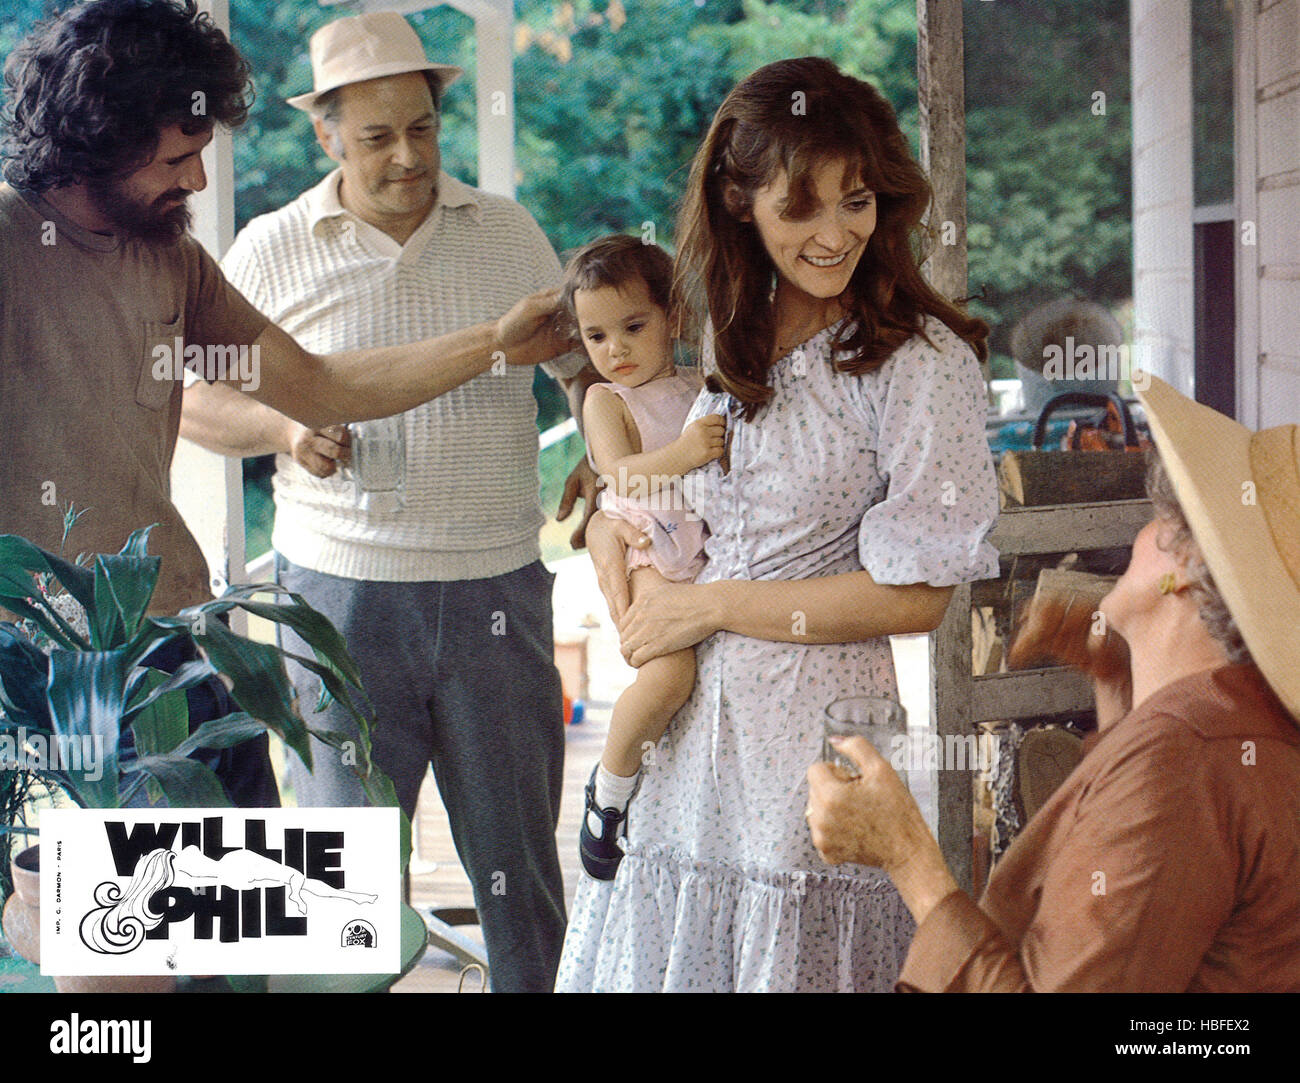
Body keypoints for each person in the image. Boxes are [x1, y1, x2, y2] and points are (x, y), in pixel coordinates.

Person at [0, 1, 565, 806]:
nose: (196, 179)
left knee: (251, 903)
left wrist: (497, 342)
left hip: (182, 636)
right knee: (105, 909)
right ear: (102, 141)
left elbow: (324, 385)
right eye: (176, 161)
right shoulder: (11, 242)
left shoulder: (172, 257)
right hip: (53, 657)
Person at [556, 58, 1000, 992]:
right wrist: (609, 528)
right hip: (680, 749)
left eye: (858, 198)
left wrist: (708, 606)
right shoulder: (724, 331)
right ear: (737, 203)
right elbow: (652, 472)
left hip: (811, 742)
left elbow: (918, 595)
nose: (837, 233)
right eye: (801, 208)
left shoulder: (923, 366)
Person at [178, 11, 596, 992]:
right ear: (325, 134)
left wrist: (599, 439)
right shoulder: (272, 249)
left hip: (499, 590)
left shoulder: (507, 231)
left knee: (523, 881)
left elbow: (582, 352)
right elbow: (195, 398)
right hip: (340, 604)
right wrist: (286, 429)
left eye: (422, 127)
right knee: (343, 898)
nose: (406, 156)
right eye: (375, 136)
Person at [807, 375, 1300, 991]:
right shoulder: (1233, 720)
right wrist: (1117, 687)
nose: (1140, 536)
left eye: (1159, 519)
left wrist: (906, 855)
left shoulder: (1182, 762)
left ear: (1185, 570)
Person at [558, 235, 725, 880]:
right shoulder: (606, 400)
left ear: (672, 319)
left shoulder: (696, 386)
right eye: (596, 336)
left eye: (633, 327)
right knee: (668, 677)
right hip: (650, 547)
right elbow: (621, 478)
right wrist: (686, 452)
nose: (615, 350)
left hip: (708, 548)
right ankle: (609, 792)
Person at [80, 845, 378, 955]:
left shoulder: (191, 868)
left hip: (238, 872)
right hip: (237, 873)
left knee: (300, 882)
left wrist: (297, 897)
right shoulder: (192, 869)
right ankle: (353, 897)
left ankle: (353, 897)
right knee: (300, 882)